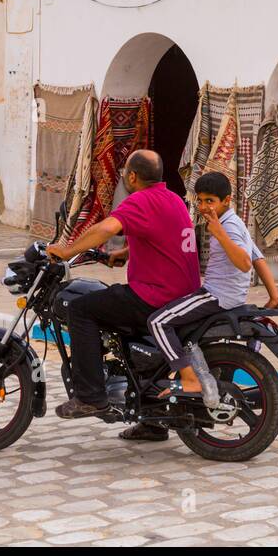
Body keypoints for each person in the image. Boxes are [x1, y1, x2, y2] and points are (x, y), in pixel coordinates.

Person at [127, 170, 278, 441]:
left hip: (217, 296)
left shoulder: (228, 226)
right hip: (229, 296)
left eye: (210, 201)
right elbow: (258, 256)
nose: (203, 207)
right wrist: (275, 295)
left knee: (158, 321)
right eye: (199, 201)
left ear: (226, 201)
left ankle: (189, 378)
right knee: (177, 322)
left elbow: (245, 262)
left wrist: (220, 233)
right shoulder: (235, 221)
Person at [46, 149, 199, 419]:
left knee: (82, 309)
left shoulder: (140, 200)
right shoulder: (173, 199)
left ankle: (90, 397)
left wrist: (67, 250)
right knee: (117, 316)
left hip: (156, 296)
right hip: (183, 295)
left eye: (123, 173)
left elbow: (106, 229)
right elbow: (164, 237)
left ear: (132, 176)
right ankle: (152, 422)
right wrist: (126, 253)